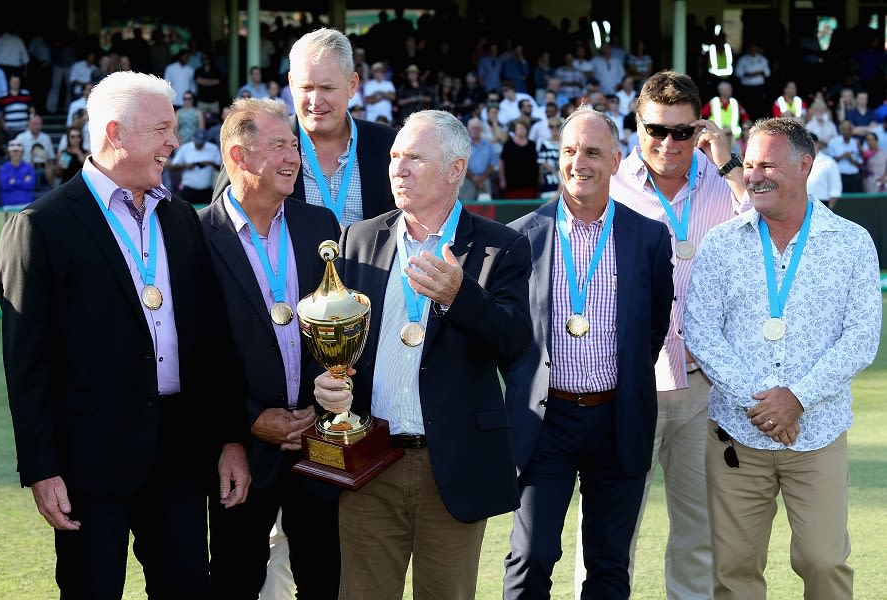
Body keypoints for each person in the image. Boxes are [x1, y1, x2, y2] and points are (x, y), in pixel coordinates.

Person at [0, 70, 250, 598]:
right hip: (89, 468)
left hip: (179, 460)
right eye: (162, 129)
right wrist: (42, 469)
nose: (174, 143)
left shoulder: (180, 218)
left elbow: (209, 344)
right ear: (115, 133)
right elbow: (27, 364)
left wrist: (228, 439)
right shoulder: (41, 226)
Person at [313, 109, 532, 599]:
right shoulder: (359, 238)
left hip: (452, 467)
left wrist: (462, 296)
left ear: (456, 170)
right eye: (394, 156)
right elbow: (338, 341)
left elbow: (515, 343)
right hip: (371, 463)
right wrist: (327, 381)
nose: (398, 168)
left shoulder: (502, 247)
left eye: (414, 157)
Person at [568, 69, 748, 600]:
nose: (668, 143)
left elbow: (769, 234)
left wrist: (733, 165)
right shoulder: (607, 183)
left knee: (699, 536)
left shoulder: (725, 181)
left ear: (702, 129)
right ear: (636, 126)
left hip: (704, 385)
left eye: (683, 131)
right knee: (605, 534)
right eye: (655, 130)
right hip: (625, 385)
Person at [684, 117, 882, 600]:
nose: (753, 176)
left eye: (767, 165)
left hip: (816, 435)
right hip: (736, 434)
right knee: (734, 572)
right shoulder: (721, 242)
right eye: (748, 165)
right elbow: (700, 331)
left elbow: (861, 339)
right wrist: (765, 404)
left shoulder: (851, 242)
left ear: (805, 167)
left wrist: (795, 399)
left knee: (823, 562)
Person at [502, 107, 674, 599]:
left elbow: (653, 327)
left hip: (617, 417)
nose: (580, 163)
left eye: (593, 152)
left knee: (608, 562)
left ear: (617, 160)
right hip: (545, 420)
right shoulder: (521, 237)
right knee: (531, 555)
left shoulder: (648, 237)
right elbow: (508, 336)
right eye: (570, 151)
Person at [199, 97, 342, 600]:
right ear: (239, 156)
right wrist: (245, 422)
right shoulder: (197, 236)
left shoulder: (319, 225)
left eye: (295, 146)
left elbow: (336, 329)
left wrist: (320, 404)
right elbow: (197, 354)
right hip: (241, 451)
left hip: (316, 440)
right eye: (279, 145)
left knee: (325, 577)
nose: (294, 157)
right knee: (237, 579)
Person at [213, 28, 396, 226]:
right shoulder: (255, 145)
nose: (315, 100)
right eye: (306, 88)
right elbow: (221, 226)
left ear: (352, 85)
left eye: (327, 88)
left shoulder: (389, 145)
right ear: (291, 84)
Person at [170, 128, 221, 204]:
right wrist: (185, 166)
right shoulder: (185, 148)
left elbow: (220, 168)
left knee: (206, 213)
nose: (199, 145)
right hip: (188, 190)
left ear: (205, 140)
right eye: (197, 142)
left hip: (206, 191)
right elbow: (173, 166)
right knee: (186, 213)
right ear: (193, 138)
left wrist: (211, 163)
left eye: (201, 143)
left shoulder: (213, 148)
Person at [826, 120, 864, 193]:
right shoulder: (833, 142)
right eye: (844, 129)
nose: (846, 131)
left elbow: (860, 164)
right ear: (840, 130)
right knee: (840, 199)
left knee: (854, 199)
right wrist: (842, 156)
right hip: (839, 175)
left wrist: (851, 159)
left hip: (854, 175)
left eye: (848, 129)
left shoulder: (856, 143)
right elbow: (830, 162)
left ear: (851, 131)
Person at [807, 132, 842, 206]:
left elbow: (836, 187)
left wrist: (830, 207)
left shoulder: (829, 162)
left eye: (811, 143)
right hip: (801, 203)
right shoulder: (797, 161)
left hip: (822, 202)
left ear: (817, 144)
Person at [0, 139, 35, 206]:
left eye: (17, 151)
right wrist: (22, 181)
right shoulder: (4, 168)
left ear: (22, 152)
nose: (15, 153)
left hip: (26, 206)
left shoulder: (29, 168)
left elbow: (29, 185)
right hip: (8, 206)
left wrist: (13, 181)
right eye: (13, 151)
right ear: (9, 152)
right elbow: (4, 186)